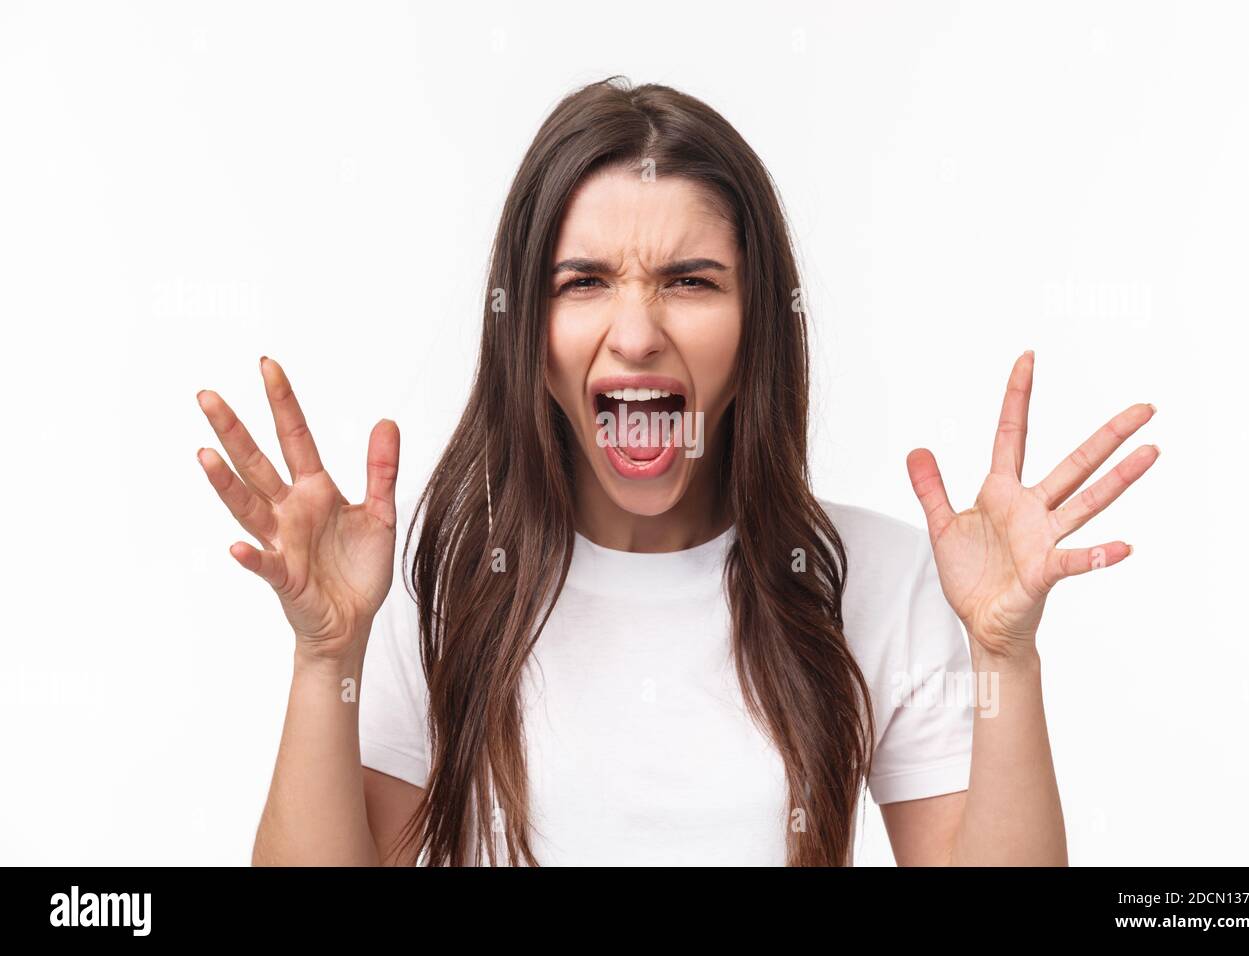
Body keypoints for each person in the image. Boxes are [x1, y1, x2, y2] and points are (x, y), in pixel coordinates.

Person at [195, 77, 1158, 866]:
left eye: (690, 281)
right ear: (529, 336)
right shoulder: (432, 580)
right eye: (585, 282)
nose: (638, 332)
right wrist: (328, 659)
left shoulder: (883, 581)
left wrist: (1006, 657)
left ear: (756, 334)